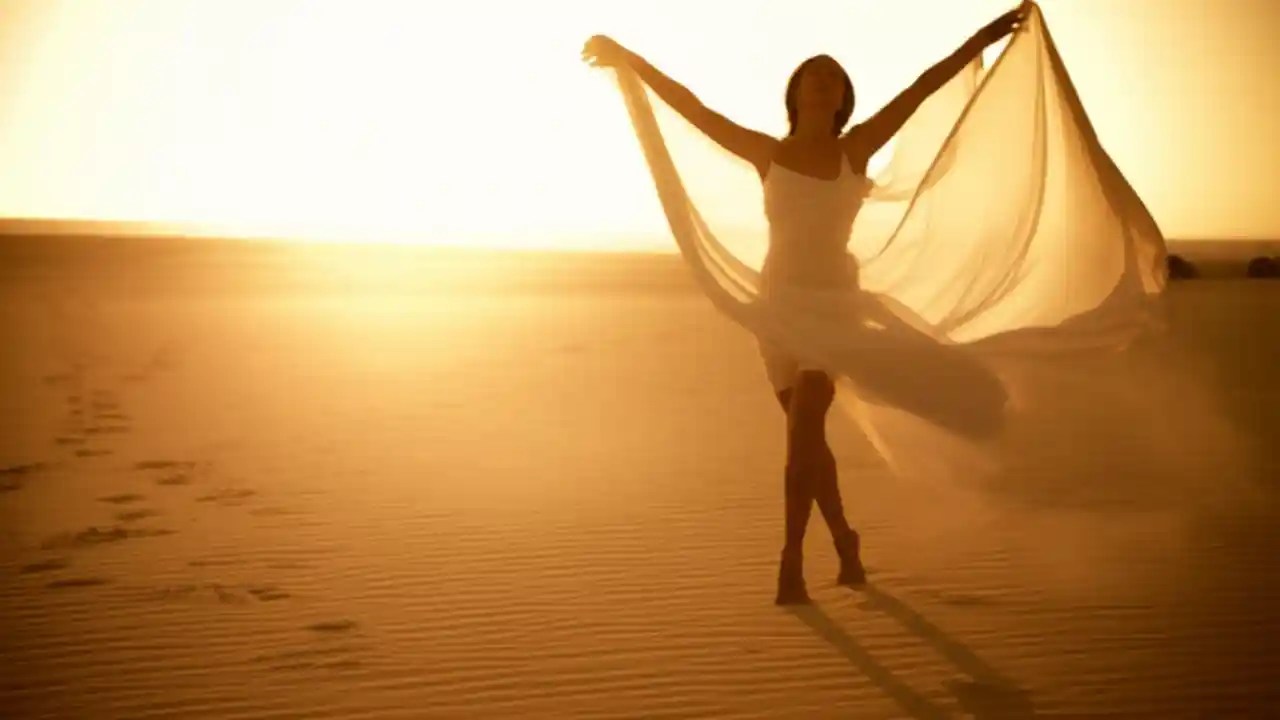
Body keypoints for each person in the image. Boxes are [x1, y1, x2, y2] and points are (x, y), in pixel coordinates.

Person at [582, 6, 1026, 605]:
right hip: (779, 308)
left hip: (835, 306)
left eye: (832, 76)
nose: (822, 80)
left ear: (843, 97)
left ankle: (790, 559)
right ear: (794, 92)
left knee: (803, 429)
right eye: (811, 74)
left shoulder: (859, 147)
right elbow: (693, 109)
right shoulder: (767, 152)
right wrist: (629, 61)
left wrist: (983, 39)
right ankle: (845, 537)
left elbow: (924, 87)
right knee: (809, 440)